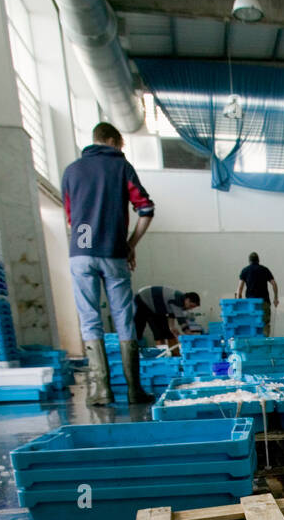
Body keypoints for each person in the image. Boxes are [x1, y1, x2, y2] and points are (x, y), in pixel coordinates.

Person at [62, 121, 155, 405]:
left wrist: (86, 241)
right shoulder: (121, 167)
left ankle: (101, 390)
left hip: (82, 246)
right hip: (113, 249)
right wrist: (130, 245)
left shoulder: (72, 171)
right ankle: (133, 389)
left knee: (90, 318)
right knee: (123, 318)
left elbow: (70, 217)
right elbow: (146, 209)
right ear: (113, 141)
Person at [134, 286, 201, 344]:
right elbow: (181, 321)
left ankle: (174, 354)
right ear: (187, 300)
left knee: (168, 332)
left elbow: (171, 315)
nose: (190, 309)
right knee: (147, 330)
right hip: (143, 300)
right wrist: (190, 334)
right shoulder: (178, 299)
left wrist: (172, 328)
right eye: (191, 306)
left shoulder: (178, 302)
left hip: (156, 306)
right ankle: (134, 350)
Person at [237, 253, 278, 337]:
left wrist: (239, 302)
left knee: (251, 324)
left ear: (249, 261)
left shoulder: (245, 270)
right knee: (265, 324)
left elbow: (239, 289)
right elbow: (274, 284)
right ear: (258, 260)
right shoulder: (264, 269)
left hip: (251, 304)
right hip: (264, 302)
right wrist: (275, 298)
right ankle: (265, 343)